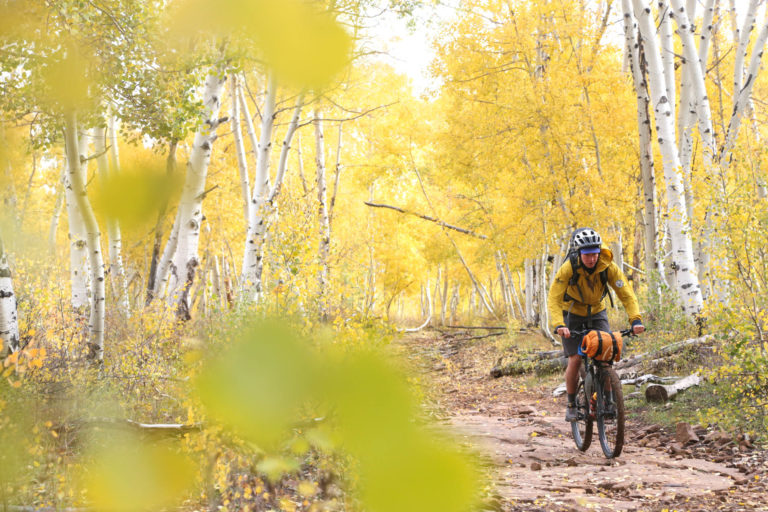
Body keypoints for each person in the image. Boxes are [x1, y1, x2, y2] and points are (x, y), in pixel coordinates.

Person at [547, 228, 645, 422]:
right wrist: (559, 324)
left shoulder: (607, 266)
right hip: (571, 314)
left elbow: (625, 292)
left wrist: (635, 319)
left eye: (594, 253)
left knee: (606, 355)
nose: (591, 259)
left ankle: (608, 400)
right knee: (575, 358)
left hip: (597, 312)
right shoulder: (569, 267)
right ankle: (572, 404)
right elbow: (554, 297)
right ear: (579, 254)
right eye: (587, 255)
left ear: (599, 251)